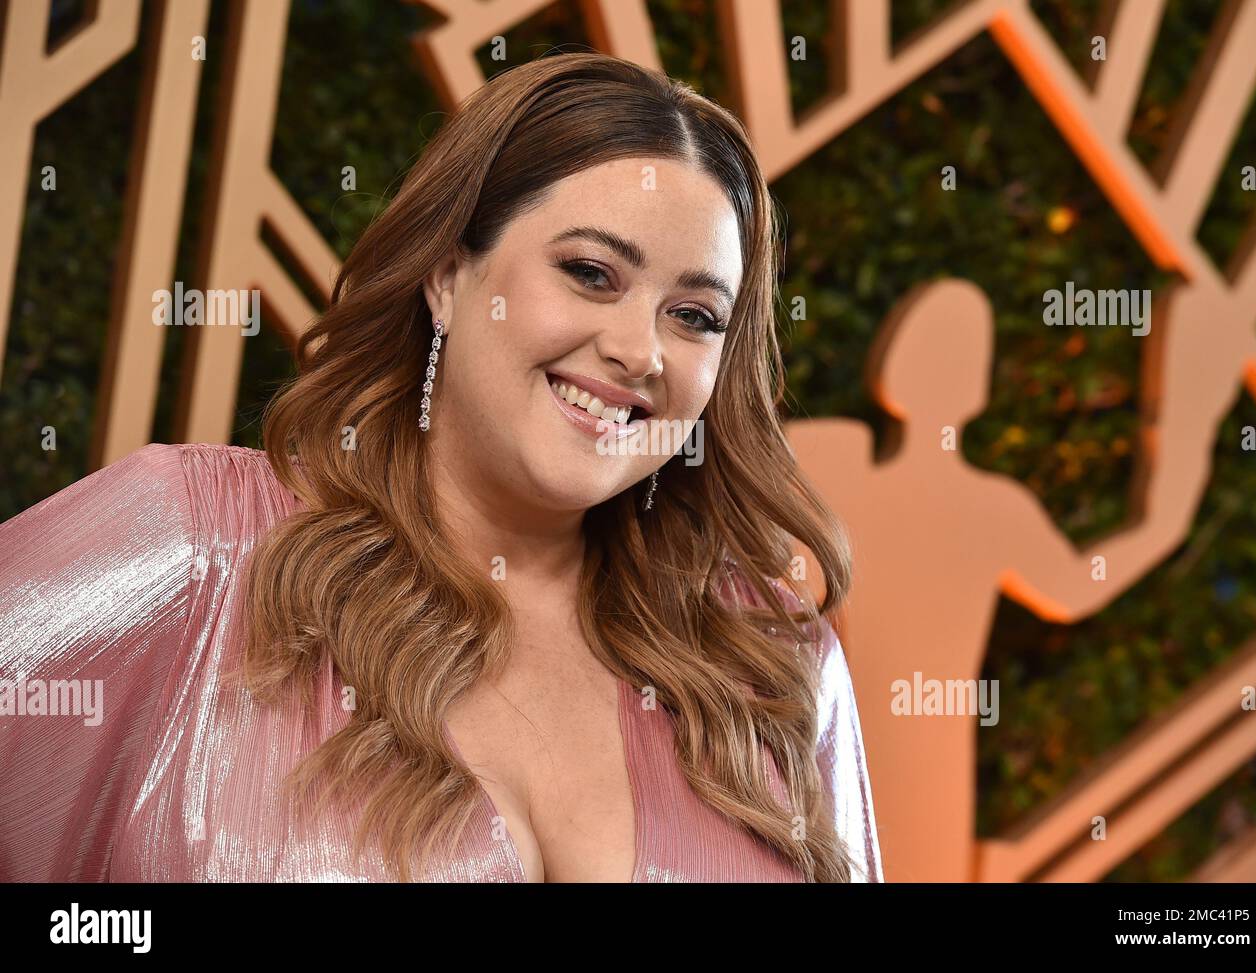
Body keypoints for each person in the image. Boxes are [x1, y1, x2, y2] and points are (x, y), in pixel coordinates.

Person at [0, 52, 882, 883]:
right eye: (589, 272)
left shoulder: (776, 661)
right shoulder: (189, 549)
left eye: (694, 315)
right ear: (449, 277)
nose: (638, 349)